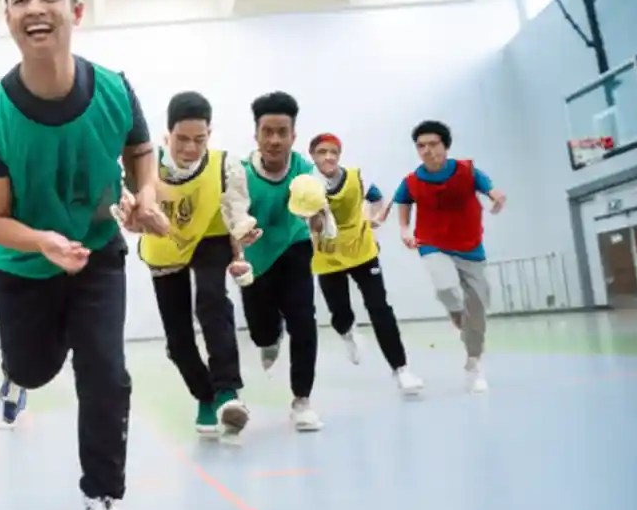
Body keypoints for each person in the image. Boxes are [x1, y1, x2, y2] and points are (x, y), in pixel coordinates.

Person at [0, 0, 167, 510]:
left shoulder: (115, 89)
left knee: (105, 370)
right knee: (35, 367)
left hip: (98, 253)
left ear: (75, 11)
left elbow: (140, 152)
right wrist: (43, 241)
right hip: (24, 265)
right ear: (7, 17)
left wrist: (146, 196)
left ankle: (103, 496)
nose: (35, 7)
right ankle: (15, 377)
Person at [135, 91, 260, 437]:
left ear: (209, 134)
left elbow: (237, 209)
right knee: (178, 341)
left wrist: (243, 232)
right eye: (182, 139)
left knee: (212, 301)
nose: (191, 148)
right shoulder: (146, 164)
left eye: (199, 139)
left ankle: (227, 392)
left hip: (209, 234)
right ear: (167, 135)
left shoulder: (224, 165)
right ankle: (205, 395)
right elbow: (128, 206)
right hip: (164, 244)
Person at [239, 91, 337, 432]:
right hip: (256, 259)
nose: (275, 140)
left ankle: (302, 400)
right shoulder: (241, 174)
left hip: (294, 249)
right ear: (256, 134)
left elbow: (319, 217)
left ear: (293, 136)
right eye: (267, 131)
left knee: (303, 320)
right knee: (262, 332)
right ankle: (269, 341)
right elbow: (231, 219)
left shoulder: (305, 171)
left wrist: (319, 221)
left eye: (282, 132)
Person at [392, 120, 505, 393]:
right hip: (432, 243)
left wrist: (496, 198)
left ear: (445, 146)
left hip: (470, 246)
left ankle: (474, 363)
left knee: (478, 306)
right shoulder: (412, 181)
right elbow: (403, 203)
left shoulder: (467, 171)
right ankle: (456, 315)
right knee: (445, 287)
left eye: (433, 144)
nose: (427, 150)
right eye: (421, 146)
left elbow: (491, 190)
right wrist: (405, 230)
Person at [307, 133, 423, 395]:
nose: (329, 157)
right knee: (340, 312)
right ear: (313, 155)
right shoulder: (307, 185)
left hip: (361, 249)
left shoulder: (355, 177)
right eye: (322, 152)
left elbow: (377, 197)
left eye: (334, 152)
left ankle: (401, 369)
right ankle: (348, 333)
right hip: (328, 254)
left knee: (380, 307)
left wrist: (374, 219)